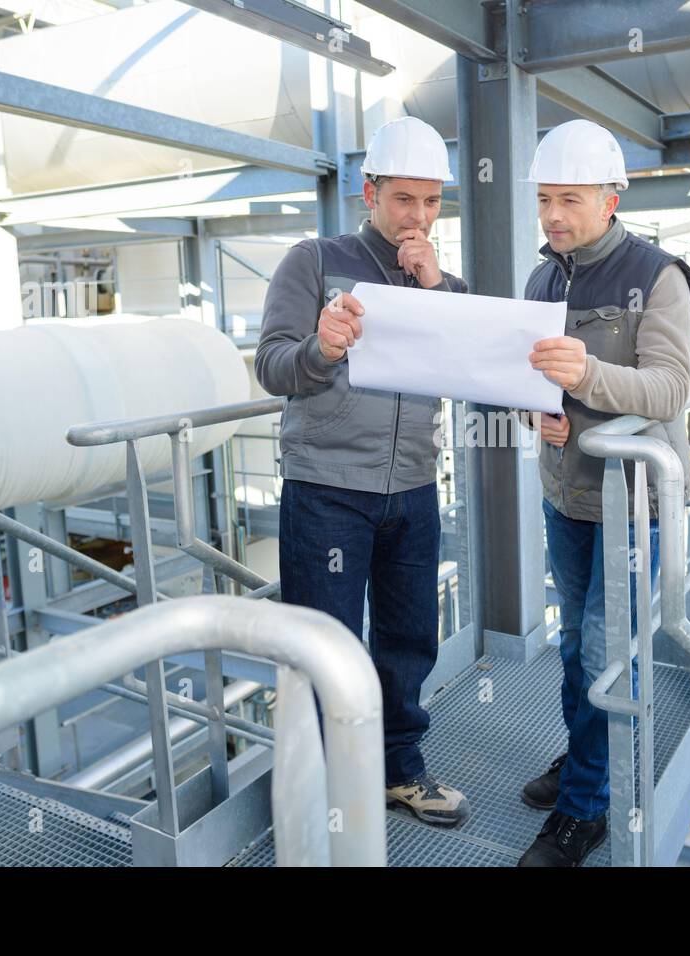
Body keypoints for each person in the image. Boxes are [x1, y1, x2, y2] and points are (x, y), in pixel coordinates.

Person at [254, 116, 470, 827]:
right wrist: (320, 349)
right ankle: (319, 793)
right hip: (327, 492)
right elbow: (272, 368)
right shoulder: (313, 261)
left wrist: (437, 290)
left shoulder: (444, 283)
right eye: (405, 199)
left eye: (433, 202)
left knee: (409, 638)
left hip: (412, 486)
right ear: (369, 193)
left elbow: (474, 358)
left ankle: (398, 770)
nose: (419, 217)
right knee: (326, 642)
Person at [516, 119, 690, 866]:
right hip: (566, 497)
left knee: (601, 656)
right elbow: (531, 373)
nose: (554, 215)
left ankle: (586, 809)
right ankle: (582, 764)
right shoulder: (539, 277)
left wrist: (583, 374)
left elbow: (668, 388)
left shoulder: (658, 276)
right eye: (544, 200)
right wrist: (539, 404)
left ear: (611, 198)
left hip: (634, 506)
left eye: (569, 198)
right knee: (572, 649)